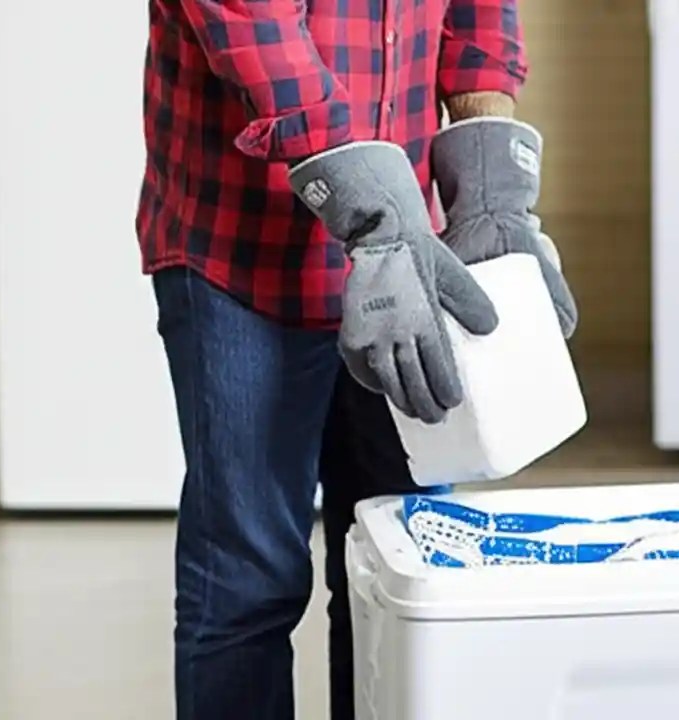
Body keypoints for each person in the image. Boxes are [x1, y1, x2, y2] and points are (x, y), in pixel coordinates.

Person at [137, 1, 576, 718]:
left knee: (398, 559)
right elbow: (259, 36)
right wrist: (374, 220)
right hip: (244, 259)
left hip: (409, 260)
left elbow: (480, 22)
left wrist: (495, 192)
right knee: (250, 580)